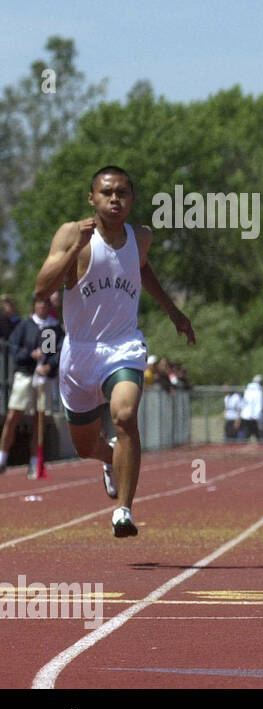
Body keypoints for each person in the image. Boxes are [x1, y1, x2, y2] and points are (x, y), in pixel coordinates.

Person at [32, 165, 195, 537]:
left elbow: (142, 269)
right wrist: (76, 248)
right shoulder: (73, 233)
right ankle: (108, 458)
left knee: (124, 416)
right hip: (79, 352)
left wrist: (174, 312)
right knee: (85, 446)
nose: (115, 199)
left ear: (132, 199)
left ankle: (124, 509)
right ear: (92, 198)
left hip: (123, 346)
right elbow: (42, 289)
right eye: (106, 193)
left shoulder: (141, 237)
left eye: (122, 193)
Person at [0, 294, 63, 476]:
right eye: (39, 304)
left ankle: (35, 461)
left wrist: (48, 365)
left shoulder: (52, 327)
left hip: (43, 379)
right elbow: (13, 347)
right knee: (13, 415)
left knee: (39, 419)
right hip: (25, 375)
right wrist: (29, 354)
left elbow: (54, 352)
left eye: (45, 304)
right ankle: (2, 457)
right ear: (34, 306)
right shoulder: (25, 325)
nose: (42, 307)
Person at [238, 375, 263, 442]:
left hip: (245, 417)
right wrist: (259, 422)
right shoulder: (259, 392)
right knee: (261, 439)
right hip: (255, 419)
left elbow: (243, 404)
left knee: (245, 438)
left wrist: (240, 417)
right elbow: (258, 407)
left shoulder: (247, 390)